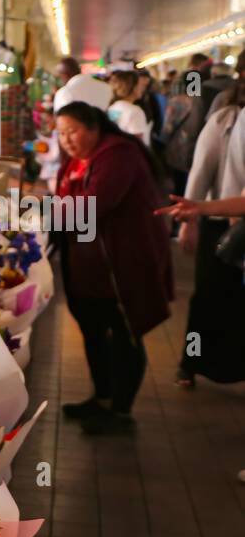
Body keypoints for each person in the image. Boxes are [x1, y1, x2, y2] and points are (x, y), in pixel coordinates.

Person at [54, 100, 173, 434]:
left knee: (124, 331)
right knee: (93, 329)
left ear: (94, 127)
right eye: (61, 133)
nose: (66, 139)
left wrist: (39, 213)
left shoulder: (119, 154)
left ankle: (120, 410)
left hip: (123, 263)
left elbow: (94, 205)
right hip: (91, 266)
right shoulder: (77, 159)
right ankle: (102, 397)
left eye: (73, 131)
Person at [163, 71, 245, 388]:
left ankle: (229, 365)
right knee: (207, 300)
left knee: (231, 301)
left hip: (228, 220)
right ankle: (190, 360)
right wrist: (192, 219)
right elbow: (200, 171)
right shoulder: (224, 120)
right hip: (218, 224)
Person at [160, 71, 208, 195]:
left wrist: (162, 143)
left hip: (178, 147)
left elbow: (168, 127)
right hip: (198, 146)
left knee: (179, 182)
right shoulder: (203, 101)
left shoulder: (177, 101)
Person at [108, 70, 152, 145]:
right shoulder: (135, 111)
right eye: (140, 85)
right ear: (133, 88)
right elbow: (138, 142)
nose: (142, 89)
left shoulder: (112, 108)